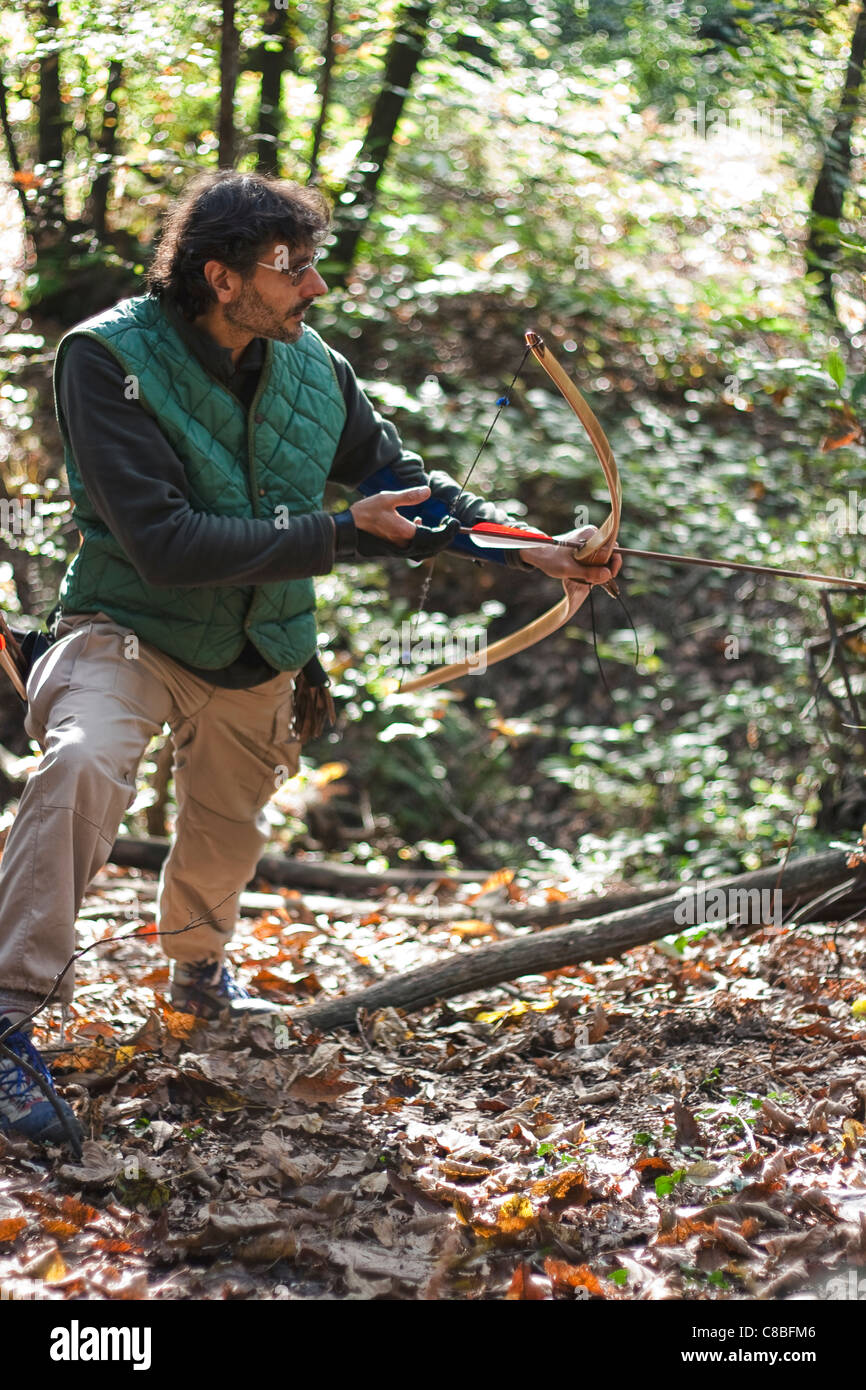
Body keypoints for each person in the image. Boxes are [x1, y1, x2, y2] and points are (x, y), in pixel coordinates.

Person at [0, 171, 621, 1146]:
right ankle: (3, 1016)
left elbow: (404, 490)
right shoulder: (104, 359)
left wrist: (536, 548)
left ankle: (198, 977)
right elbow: (164, 542)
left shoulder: (310, 364)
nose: (316, 288)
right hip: (130, 624)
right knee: (80, 760)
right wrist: (341, 530)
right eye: (293, 269)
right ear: (221, 276)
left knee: (226, 825)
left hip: (263, 641)